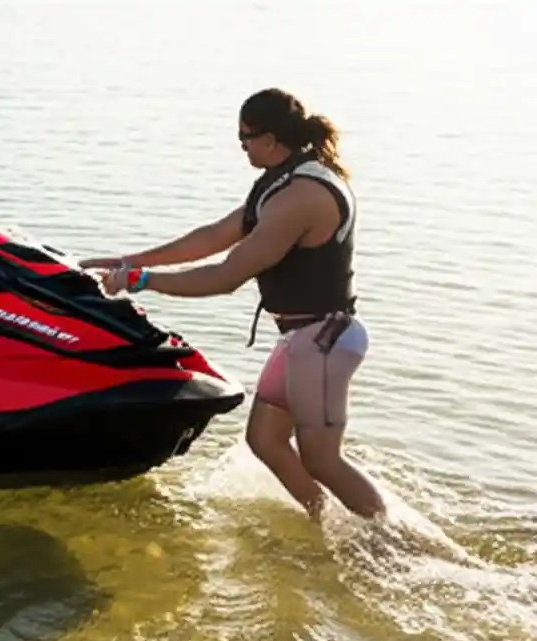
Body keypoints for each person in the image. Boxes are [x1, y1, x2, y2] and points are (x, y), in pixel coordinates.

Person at [82, 88, 386, 522]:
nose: (240, 146)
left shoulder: (302, 195)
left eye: (244, 138)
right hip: (301, 340)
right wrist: (126, 262)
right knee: (265, 439)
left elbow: (226, 276)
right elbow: (212, 236)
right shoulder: (280, 179)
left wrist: (142, 281)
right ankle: (328, 523)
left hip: (323, 340)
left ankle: (392, 542)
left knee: (321, 459)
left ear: (270, 138)